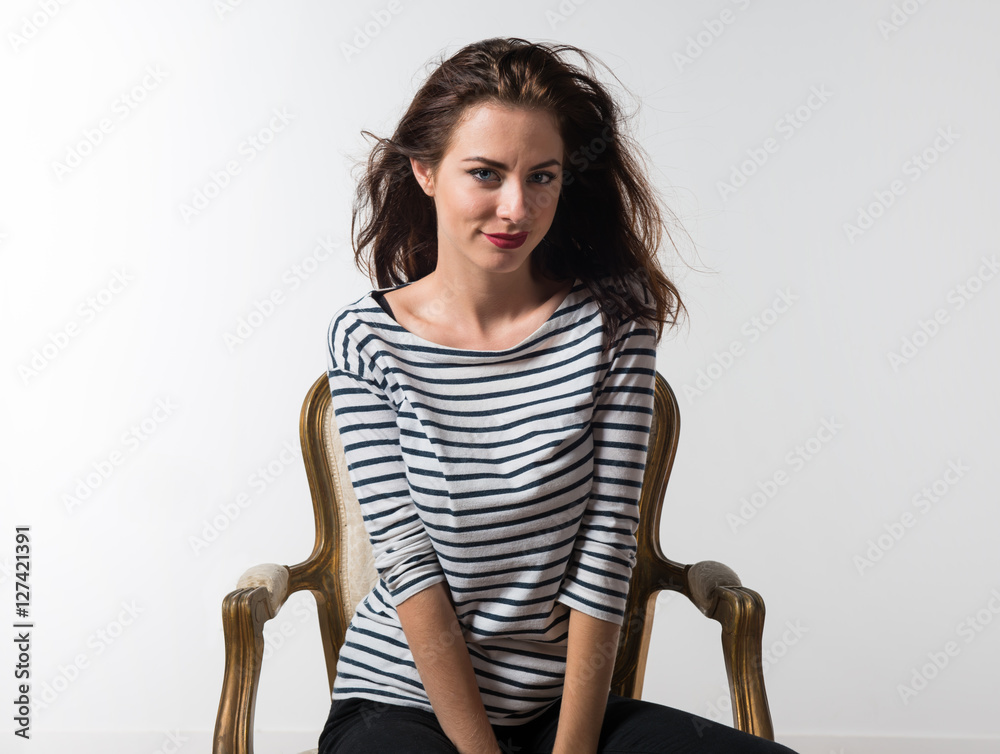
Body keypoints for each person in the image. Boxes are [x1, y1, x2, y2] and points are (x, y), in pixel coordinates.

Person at [319, 36, 798, 754]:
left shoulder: (613, 319)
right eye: (485, 173)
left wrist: (572, 750)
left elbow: (608, 543)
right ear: (425, 170)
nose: (516, 207)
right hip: (401, 702)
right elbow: (409, 566)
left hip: (562, 712)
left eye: (542, 176)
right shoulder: (366, 337)